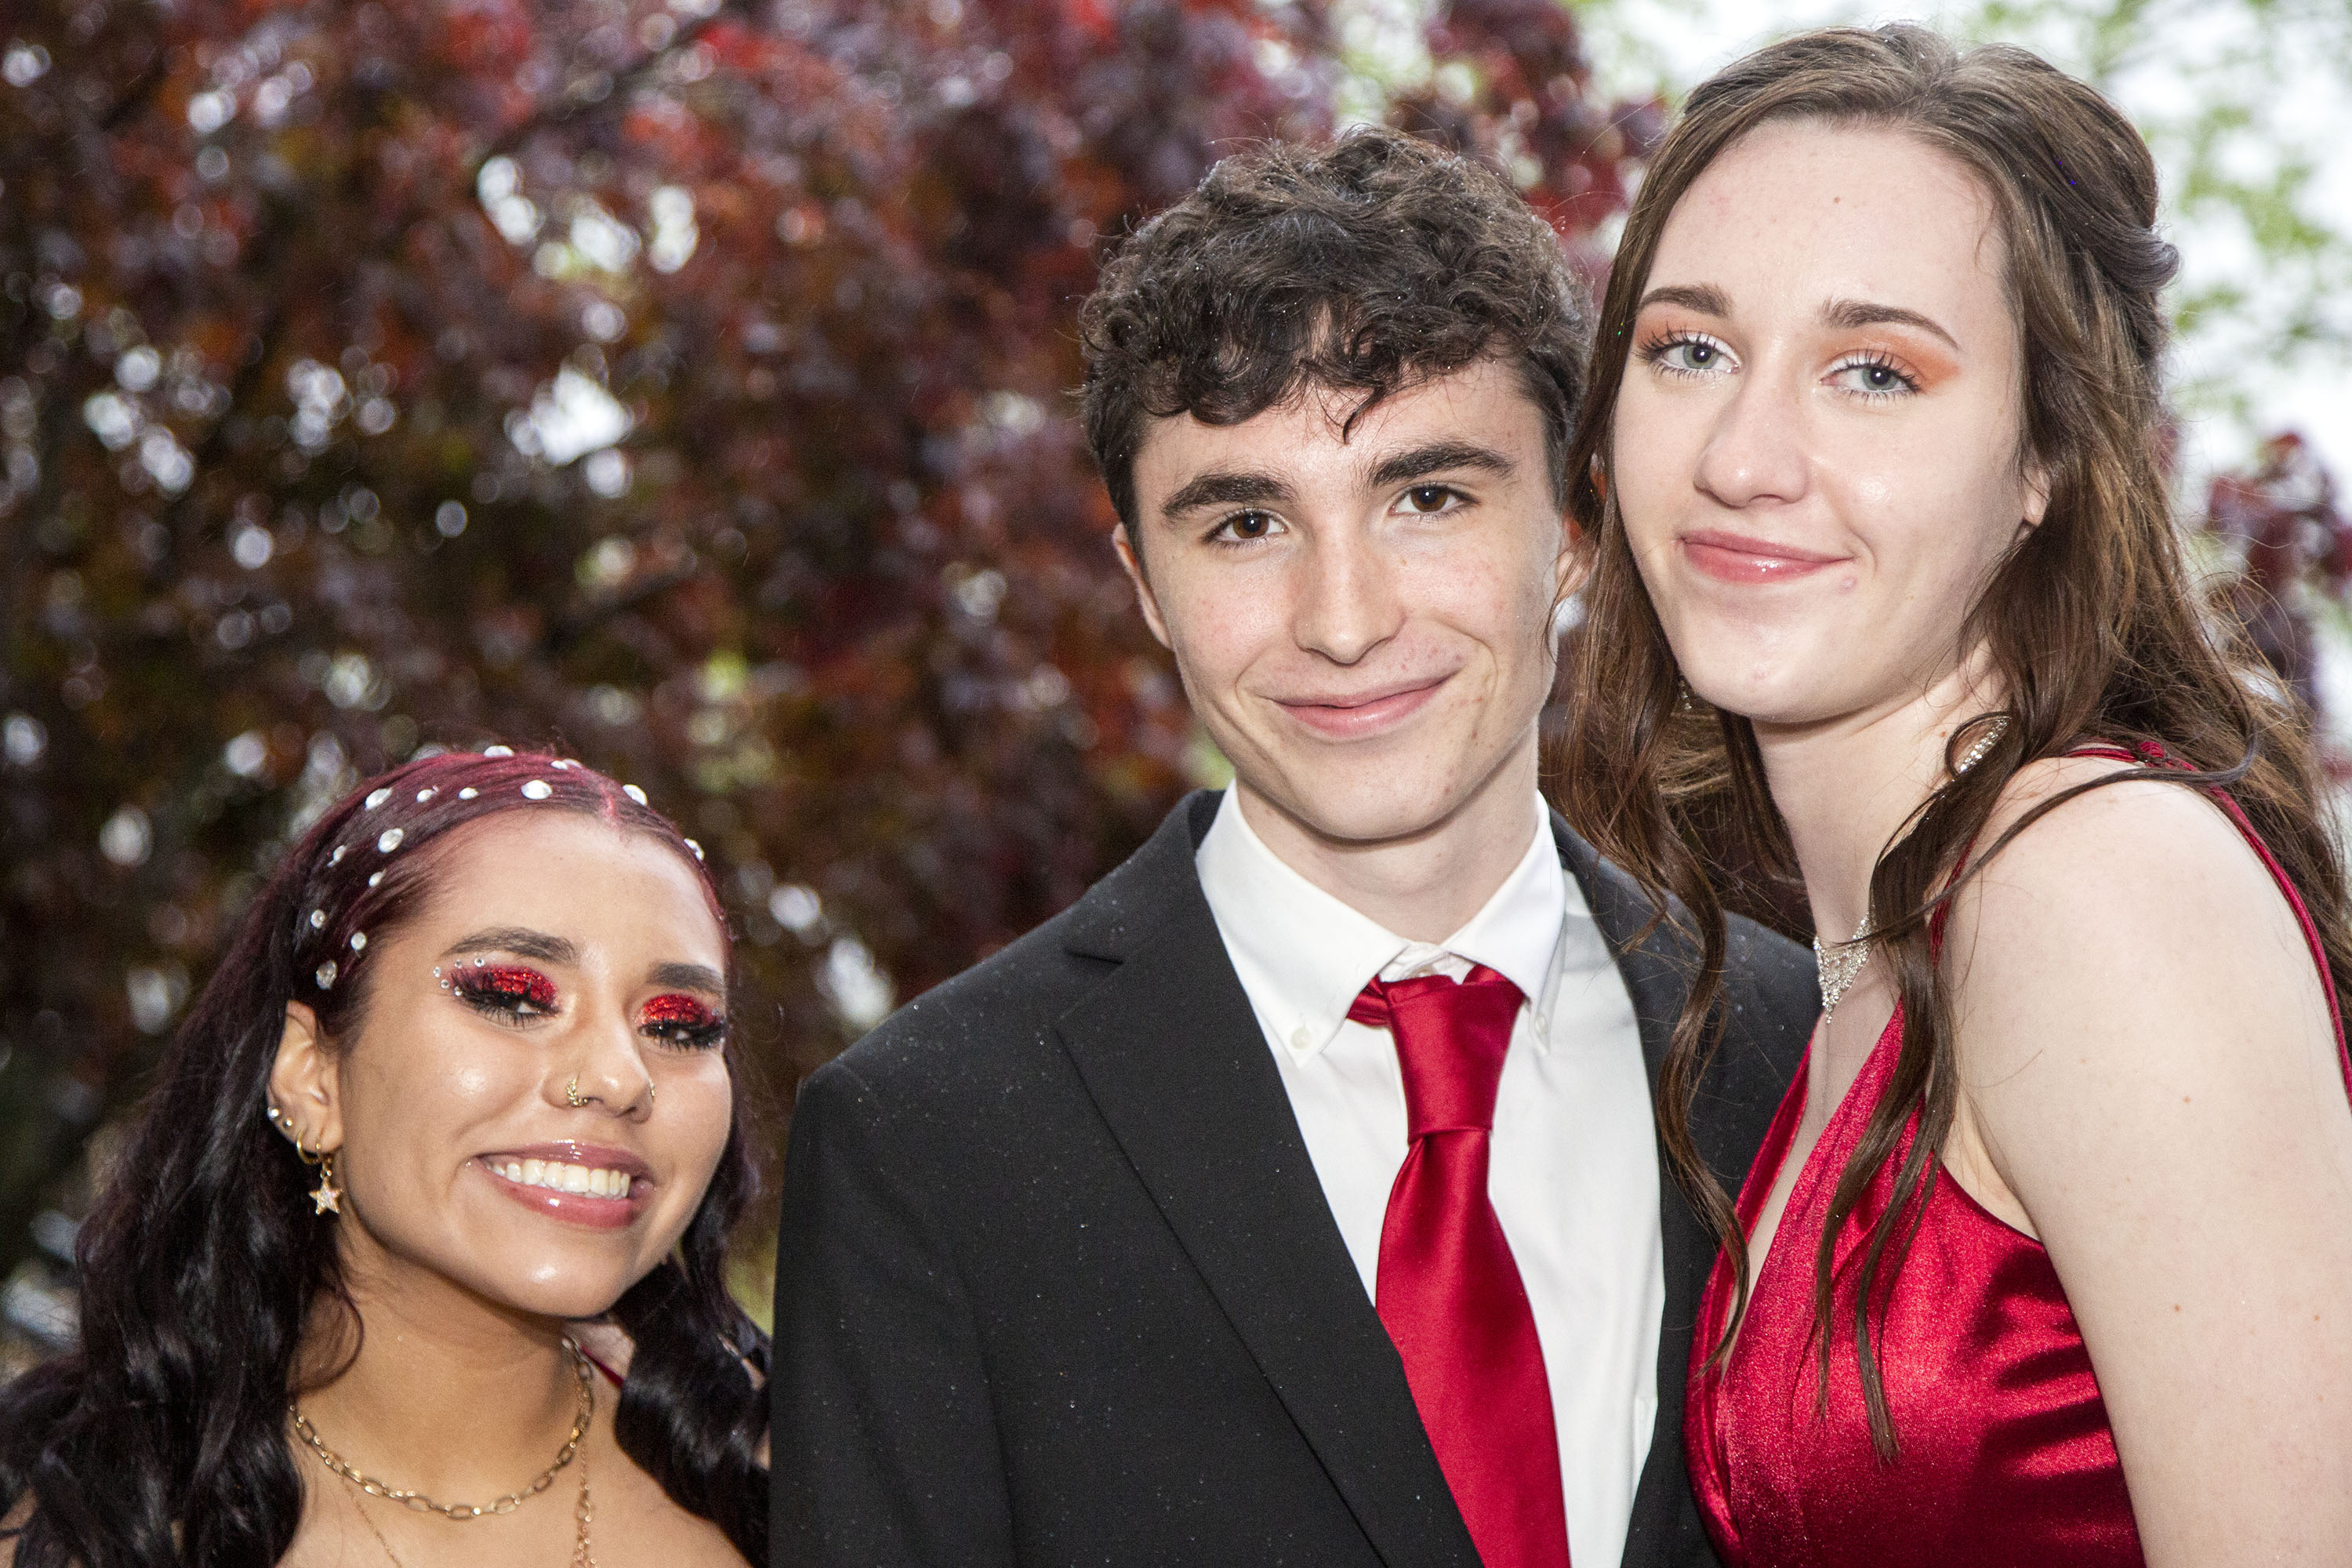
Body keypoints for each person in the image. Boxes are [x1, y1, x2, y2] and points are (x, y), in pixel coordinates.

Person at [771, 128, 1817, 1568]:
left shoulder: (1812, 1053)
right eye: (1248, 522)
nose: (1344, 618)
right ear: (1144, 583)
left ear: (1577, 529)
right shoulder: (929, 1146)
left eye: (1428, 496)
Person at [1551, 24, 2352, 1567]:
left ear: (2047, 453)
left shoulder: (2097, 885)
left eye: (1875, 372)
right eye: (1690, 349)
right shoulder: (1863, 963)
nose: (1743, 455)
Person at [0, 749, 769, 1567]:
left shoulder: (804, 1499)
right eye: (513, 995)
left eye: (680, 1023)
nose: (620, 1077)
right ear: (313, 1075)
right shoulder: (88, 1531)